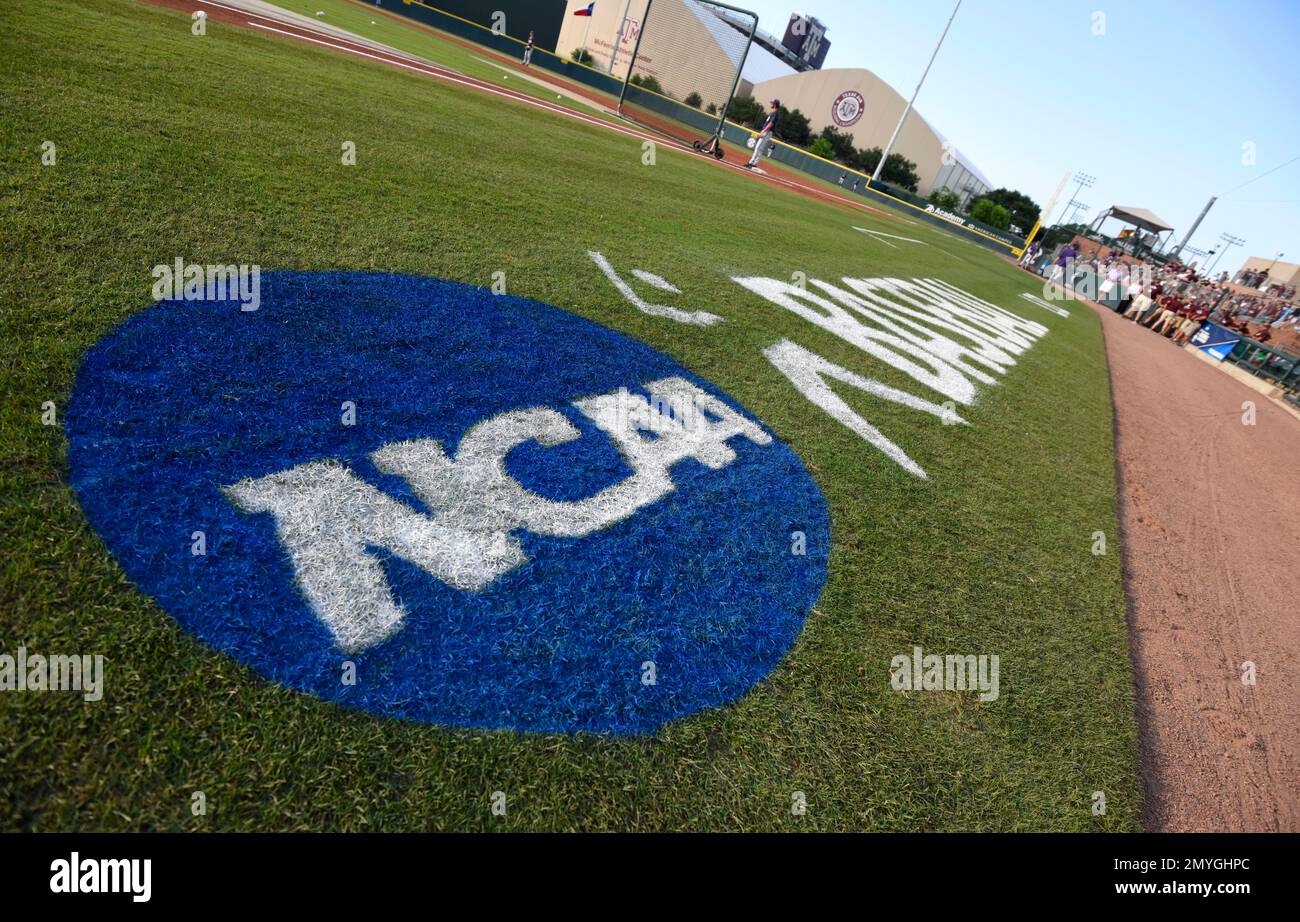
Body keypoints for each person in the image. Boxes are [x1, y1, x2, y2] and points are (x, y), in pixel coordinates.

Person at [744, 99, 780, 170]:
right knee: (759, 148)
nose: (771, 104)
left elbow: (771, 124)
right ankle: (753, 163)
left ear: (775, 105)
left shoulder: (775, 113)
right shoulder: (773, 113)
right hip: (767, 131)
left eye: (772, 103)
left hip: (768, 131)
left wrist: (763, 131)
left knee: (758, 147)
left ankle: (752, 163)